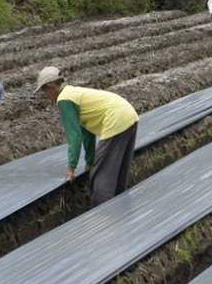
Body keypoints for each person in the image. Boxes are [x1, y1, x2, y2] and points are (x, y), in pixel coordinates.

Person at [35, 66, 139, 206]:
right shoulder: (74, 93)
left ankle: (104, 219)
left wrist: (71, 167)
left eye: (44, 91)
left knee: (102, 178)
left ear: (50, 86)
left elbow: (74, 136)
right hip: (128, 115)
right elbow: (87, 132)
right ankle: (121, 213)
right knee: (118, 176)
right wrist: (89, 161)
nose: (46, 95)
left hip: (116, 119)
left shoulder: (64, 99)